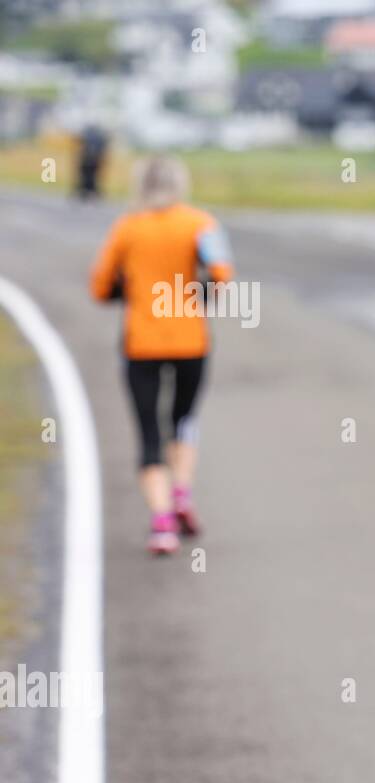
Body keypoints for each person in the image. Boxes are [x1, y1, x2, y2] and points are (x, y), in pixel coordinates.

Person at [89, 155, 234, 555]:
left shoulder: (127, 228)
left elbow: (101, 284)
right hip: (191, 341)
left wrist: (126, 292)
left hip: (142, 343)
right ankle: (182, 492)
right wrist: (196, 296)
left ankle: (161, 521)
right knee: (183, 420)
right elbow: (222, 273)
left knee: (148, 432)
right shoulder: (201, 223)